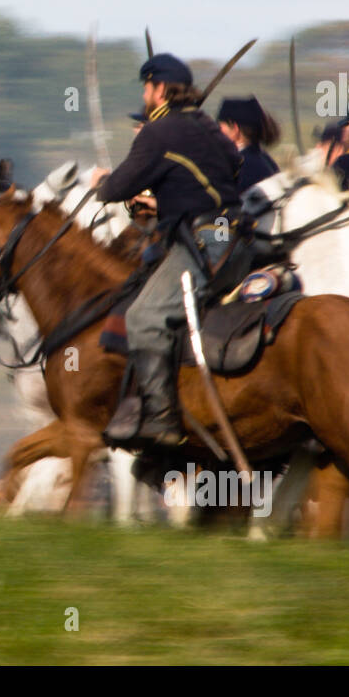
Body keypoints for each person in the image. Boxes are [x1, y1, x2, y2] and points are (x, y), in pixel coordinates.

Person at [88, 53, 242, 447]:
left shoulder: (159, 133)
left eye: (146, 87)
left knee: (143, 316)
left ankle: (162, 418)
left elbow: (115, 190)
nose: (144, 95)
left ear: (158, 89)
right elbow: (231, 167)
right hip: (237, 235)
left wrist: (101, 181)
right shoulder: (208, 127)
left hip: (208, 241)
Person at [216, 96, 280, 192]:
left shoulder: (239, 166)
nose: (216, 131)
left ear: (235, 129)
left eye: (220, 126)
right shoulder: (265, 159)